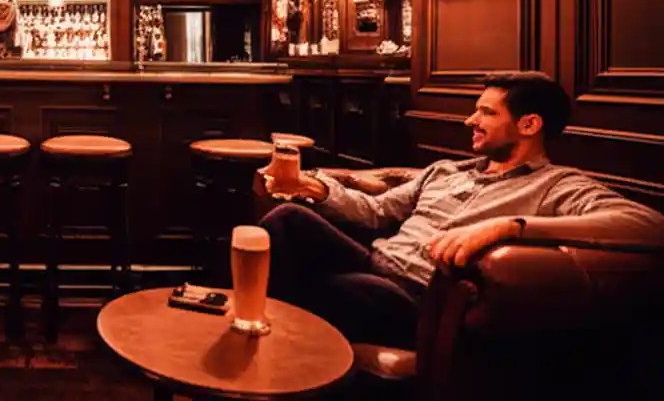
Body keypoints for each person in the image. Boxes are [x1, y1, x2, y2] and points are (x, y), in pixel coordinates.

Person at [258, 71, 664, 347]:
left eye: (487, 112)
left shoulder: (555, 185)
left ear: (529, 125)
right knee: (287, 220)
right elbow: (376, 211)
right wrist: (313, 187)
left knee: (327, 291)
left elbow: (648, 224)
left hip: (420, 296)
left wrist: (510, 226)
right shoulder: (446, 170)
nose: (471, 120)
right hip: (375, 259)